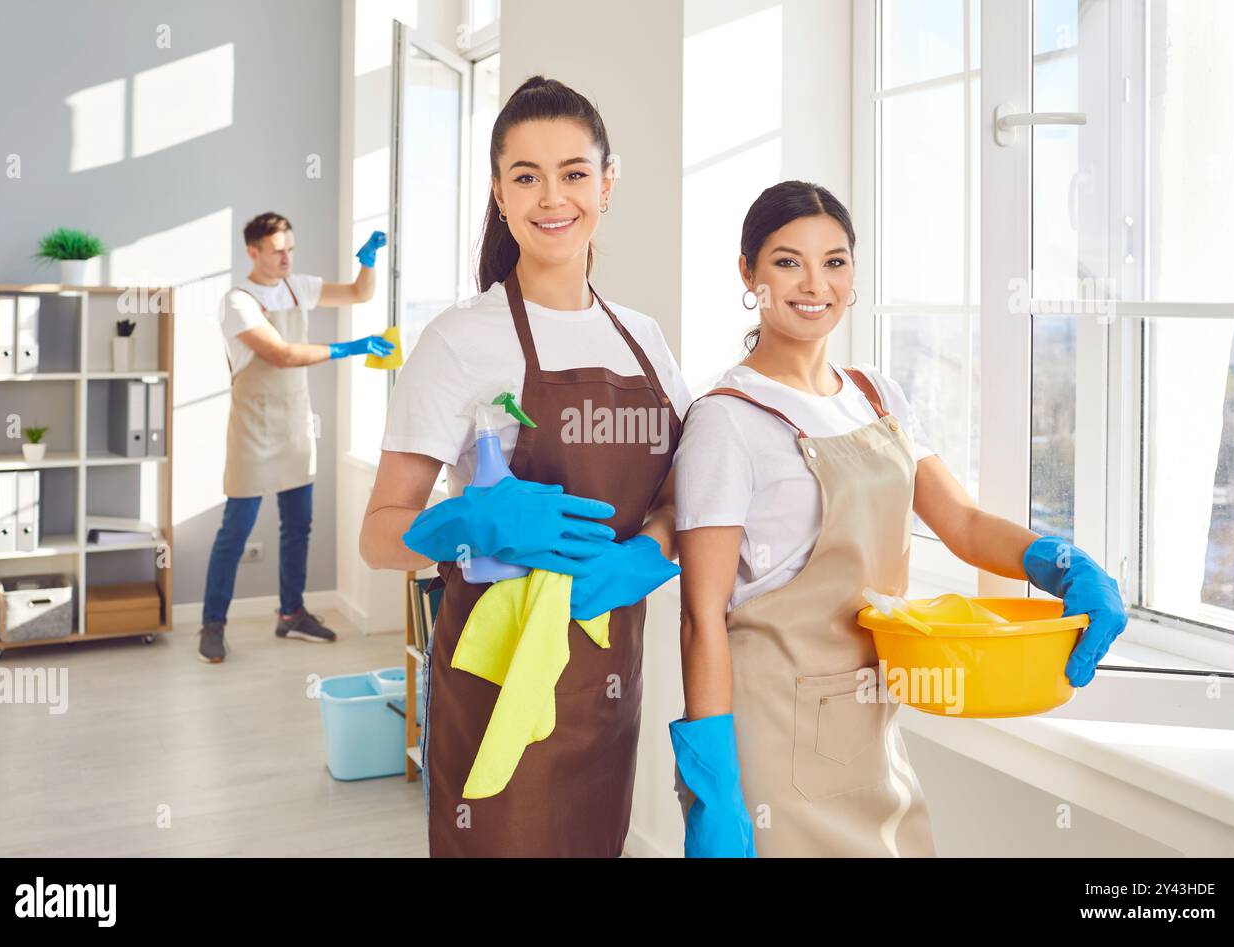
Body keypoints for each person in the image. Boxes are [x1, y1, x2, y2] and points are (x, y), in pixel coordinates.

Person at [670, 181, 1128, 857]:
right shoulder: (725, 419)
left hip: (869, 725)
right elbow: (701, 616)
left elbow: (964, 524)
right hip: (772, 731)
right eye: (787, 261)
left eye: (835, 261)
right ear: (749, 273)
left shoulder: (876, 394)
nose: (814, 283)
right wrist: (713, 787)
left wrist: (1059, 562)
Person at [359, 76, 693, 856]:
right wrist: (468, 526)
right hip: (495, 681)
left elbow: (685, 495)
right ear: (499, 195)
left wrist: (650, 554)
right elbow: (379, 535)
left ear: (607, 184)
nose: (554, 197)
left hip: (606, 677)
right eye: (527, 176)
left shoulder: (644, 337)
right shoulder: (458, 340)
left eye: (575, 172)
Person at [198, 212, 394, 663]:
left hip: (295, 425)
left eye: (291, 248)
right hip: (253, 428)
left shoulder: (296, 285)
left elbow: (360, 294)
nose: (287, 257)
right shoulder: (237, 300)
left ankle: (291, 614)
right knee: (236, 528)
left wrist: (368, 262)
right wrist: (350, 348)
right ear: (253, 253)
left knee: (298, 524)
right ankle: (212, 624)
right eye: (277, 251)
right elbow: (281, 354)